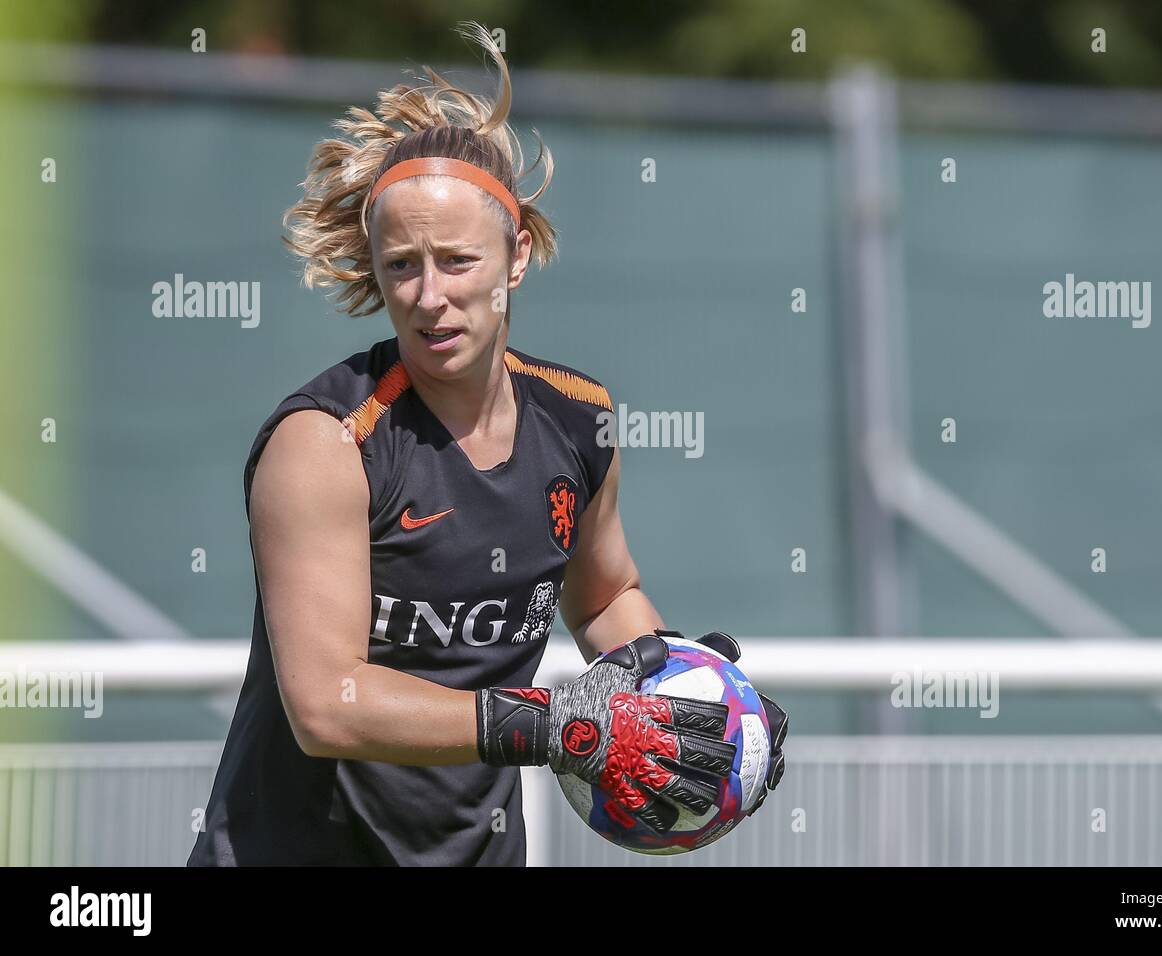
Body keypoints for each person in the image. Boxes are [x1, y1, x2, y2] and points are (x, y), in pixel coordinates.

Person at [188, 21, 786, 866]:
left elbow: (608, 598)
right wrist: (557, 729)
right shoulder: (325, 442)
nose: (430, 296)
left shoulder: (579, 420)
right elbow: (327, 705)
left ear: (518, 258)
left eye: (458, 262)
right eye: (402, 266)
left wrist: (699, 707)